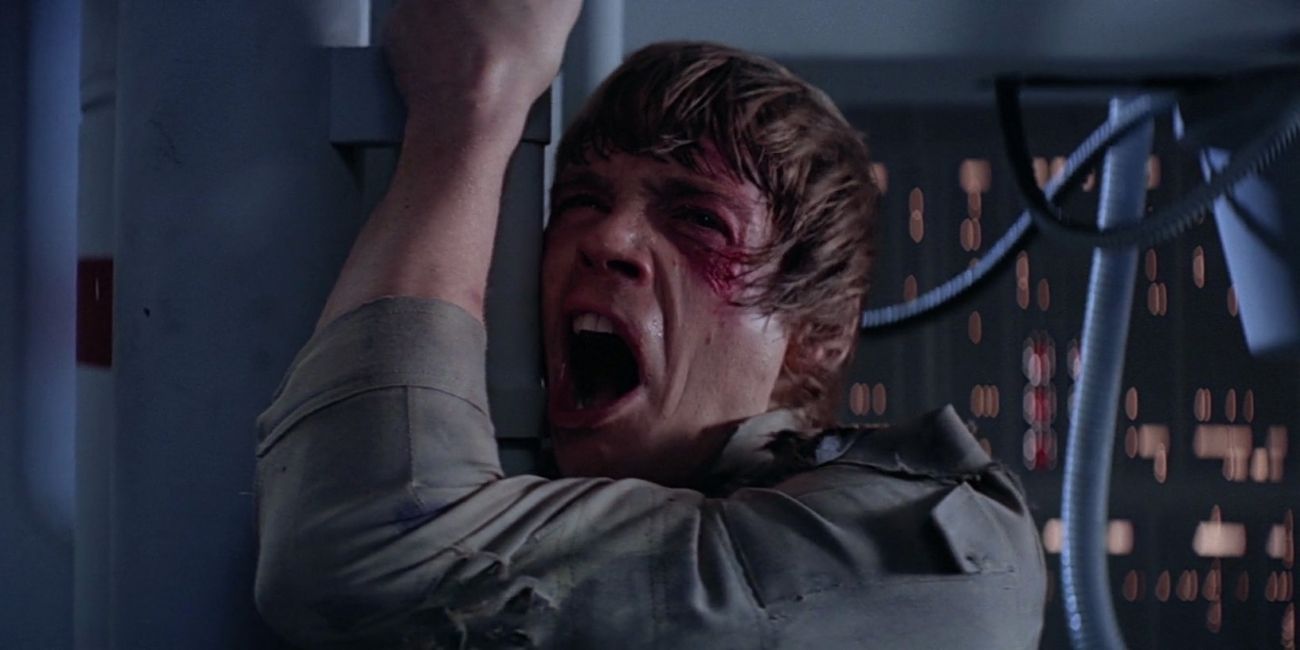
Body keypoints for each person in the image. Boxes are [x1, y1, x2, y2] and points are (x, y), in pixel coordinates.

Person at [253, 0, 1047, 647]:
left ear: (817, 334)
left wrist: (474, 105)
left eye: (698, 219)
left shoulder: (926, 562)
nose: (607, 239)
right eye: (582, 202)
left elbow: (359, 554)